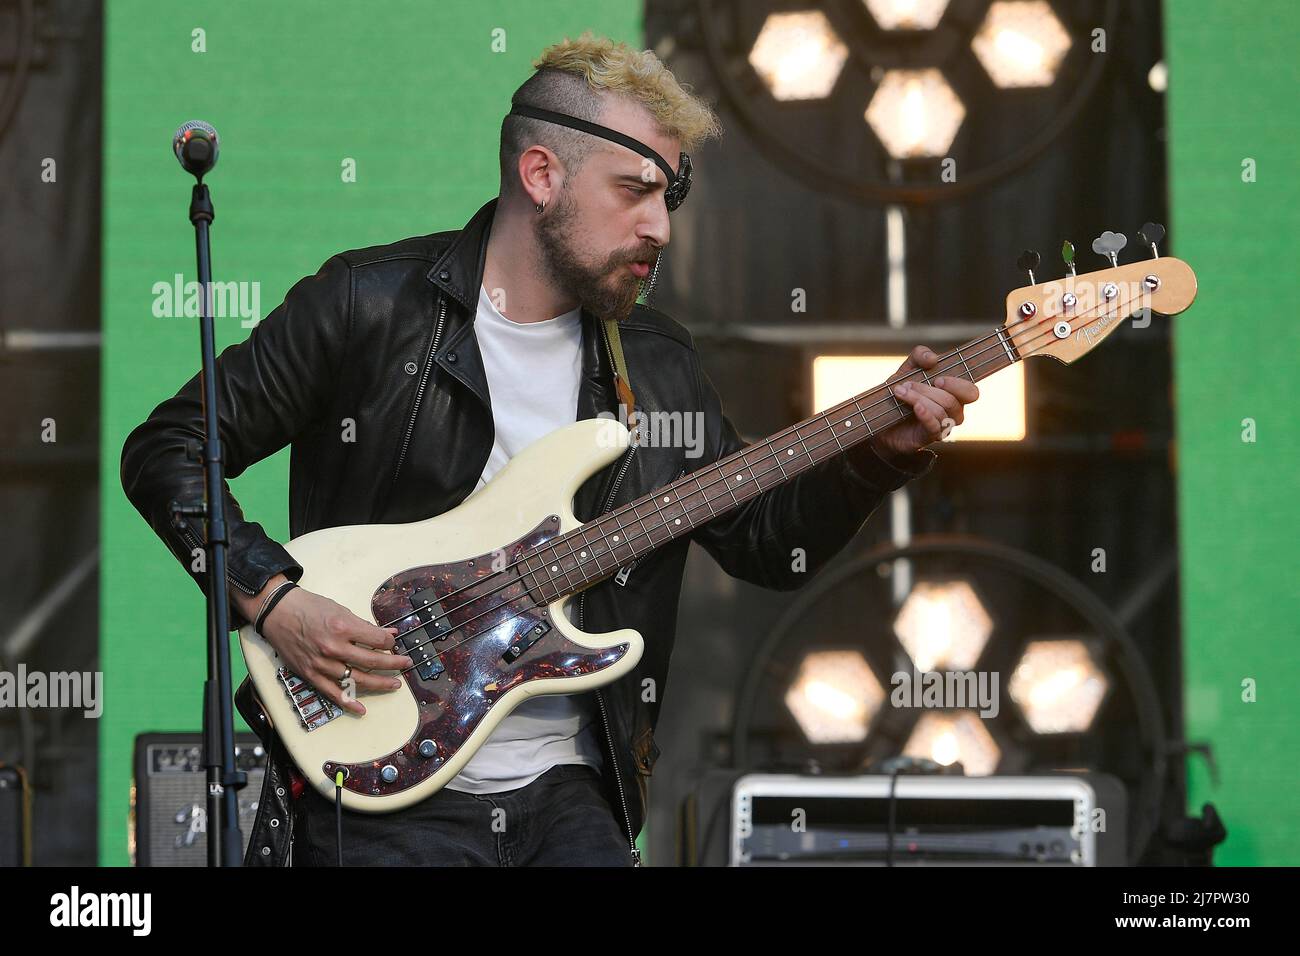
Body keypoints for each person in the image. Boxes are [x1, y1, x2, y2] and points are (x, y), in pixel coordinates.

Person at [120, 32, 978, 867]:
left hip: (570, 790)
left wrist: (878, 453)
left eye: (669, 199)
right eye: (636, 191)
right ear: (541, 175)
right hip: (381, 785)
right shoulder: (368, 307)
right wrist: (272, 598)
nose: (661, 229)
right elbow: (169, 447)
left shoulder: (657, 363)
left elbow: (767, 545)